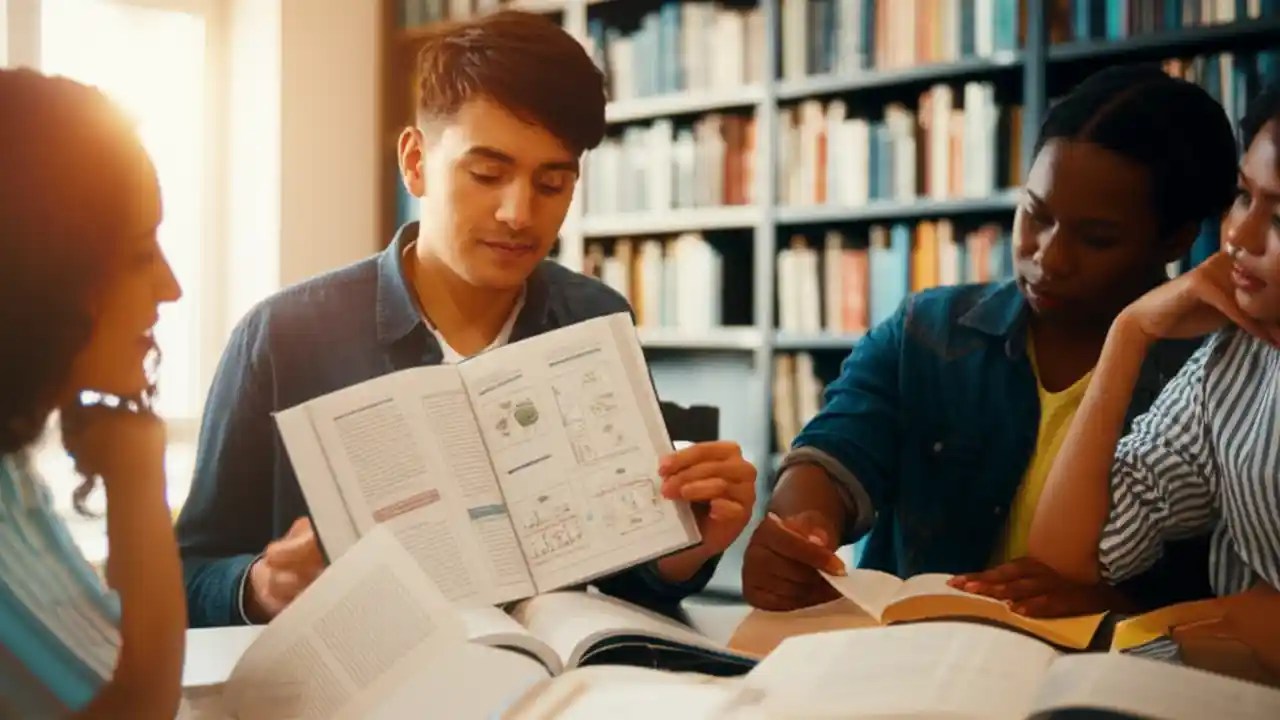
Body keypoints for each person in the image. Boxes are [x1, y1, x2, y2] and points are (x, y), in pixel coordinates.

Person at [177, 10, 757, 627]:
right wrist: (259, 585)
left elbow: (625, 572)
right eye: (487, 174)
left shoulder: (593, 320)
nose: (518, 212)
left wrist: (685, 547)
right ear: (416, 161)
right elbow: (183, 575)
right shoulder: (284, 336)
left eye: (552, 184)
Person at [741, 65, 1239, 615]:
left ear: (1176, 239)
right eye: (1035, 214)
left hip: (1115, 674)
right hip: (913, 660)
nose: (1048, 257)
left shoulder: (1221, 376)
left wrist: (1113, 602)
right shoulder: (927, 329)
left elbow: (1226, 576)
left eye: (1097, 239)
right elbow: (835, 452)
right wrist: (802, 528)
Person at [992, 82, 1280, 674]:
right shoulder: (1236, 362)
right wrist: (1129, 334)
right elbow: (1067, 557)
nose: (1239, 237)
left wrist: (1173, 624)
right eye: (1243, 198)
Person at [0, 69, 186, 717]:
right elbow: (133, 708)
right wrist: (138, 479)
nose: (170, 287)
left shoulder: (12, 466)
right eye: (140, 256)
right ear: (47, 275)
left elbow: (101, 649)